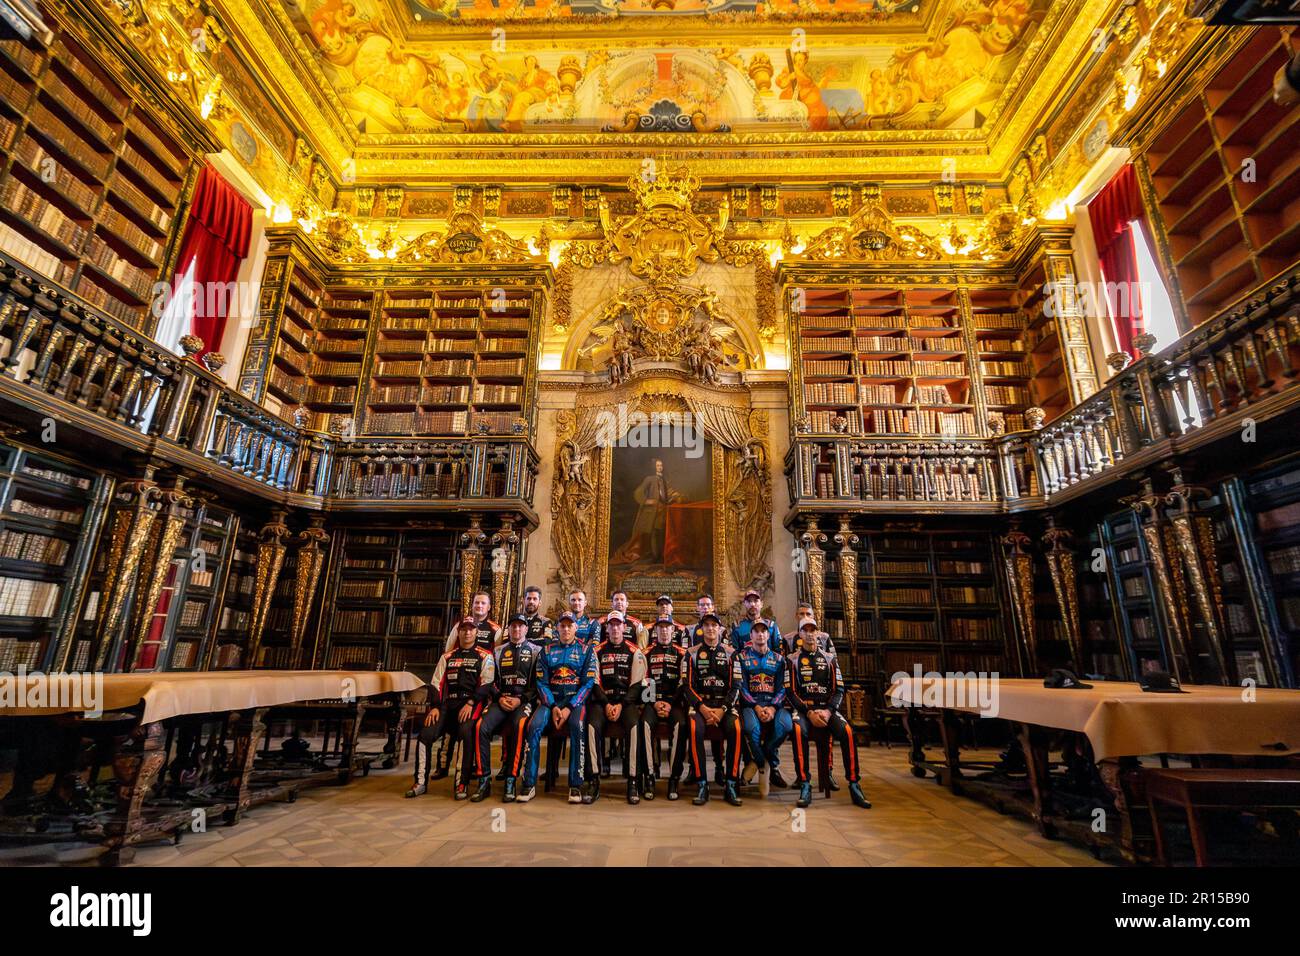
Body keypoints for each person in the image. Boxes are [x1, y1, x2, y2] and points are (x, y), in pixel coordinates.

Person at [787, 619, 871, 810]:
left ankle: (854, 783)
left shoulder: (829, 658)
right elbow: (790, 692)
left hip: (827, 709)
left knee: (848, 732)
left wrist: (827, 711)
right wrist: (809, 713)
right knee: (798, 731)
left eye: (812, 630)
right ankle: (804, 783)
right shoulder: (792, 659)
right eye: (805, 630)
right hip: (804, 710)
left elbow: (839, 689)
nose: (809, 633)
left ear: (818, 633)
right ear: (799, 634)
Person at [408, 618, 495, 800]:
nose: (467, 633)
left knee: (465, 733)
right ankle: (420, 782)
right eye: (463, 629)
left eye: (471, 630)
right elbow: (435, 684)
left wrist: (471, 702)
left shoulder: (485, 656)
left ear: (476, 633)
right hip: (447, 705)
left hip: (472, 704)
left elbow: (487, 683)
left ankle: (461, 783)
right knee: (425, 735)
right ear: (459, 632)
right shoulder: (447, 656)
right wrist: (435, 707)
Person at [530, 611, 599, 804]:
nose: (566, 629)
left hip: (574, 702)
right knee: (534, 725)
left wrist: (569, 707)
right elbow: (541, 683)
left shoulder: (586, 651)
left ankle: (575, 785)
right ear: (557, 628)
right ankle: (529, 783)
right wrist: (552, 705)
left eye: (570, 625)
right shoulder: (547, 650)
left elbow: (588, 684)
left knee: (578, 727)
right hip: (550, 702)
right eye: (563, 625)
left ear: (576, 628)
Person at [475, 615, 542, 802]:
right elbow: (489, 680)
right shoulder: (496, 652)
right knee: (481, 726)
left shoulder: (537, 651)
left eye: (521, 626)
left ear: (526, 630)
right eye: (513, 626)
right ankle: (484, 779)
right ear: (509, 629)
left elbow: (538, 684)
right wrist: (499, 697)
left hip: (523, 702)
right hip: (500, 700)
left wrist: (521, 699)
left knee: (519, 727)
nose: (517, 630)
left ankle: (511, 779)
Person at [587, 611, 647, 804]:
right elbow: (594, 682)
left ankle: (633, 781)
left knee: (634, 726)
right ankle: (594, 780)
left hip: (626, 702)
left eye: (617, 625)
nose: (614, 628)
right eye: (611, 625)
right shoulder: (596, 651)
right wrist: (606, 704)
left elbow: (637, 684)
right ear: (607, 628)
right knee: (590, 726)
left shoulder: (634, 651)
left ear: (624, 627)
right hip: (602, 701)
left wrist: (621, 705)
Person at [685, 612, 742, 806]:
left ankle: (731, 783)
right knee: (693, 728)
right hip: (701, 706)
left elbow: (736, 686)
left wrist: (723, 708)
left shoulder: (731, 653)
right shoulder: (691, 653)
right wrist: (701, 707)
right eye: (707, 625)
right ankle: (702, 783)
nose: (710, 628)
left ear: (719, 629)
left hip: (723, 707)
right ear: (701, 629)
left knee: (736, 728)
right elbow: (687, 686)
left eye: (714, 625)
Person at [729, 620, 791, 797]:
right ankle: (763, 763)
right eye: (756, 631)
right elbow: (741, 687)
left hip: (774, 705)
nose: (760, 634)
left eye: (764, 631)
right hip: (751, 705)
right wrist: (756, 707)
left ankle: (758, 761)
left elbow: (783, 688)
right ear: (751, 636)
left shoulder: (780, 660)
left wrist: (772, 708)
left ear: (768, 635)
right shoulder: (742, 658)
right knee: (750, 728)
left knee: (785, 726)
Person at [641, 616, 690, 800]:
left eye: (667, 627)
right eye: (660, 628)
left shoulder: (682, 653)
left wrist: (669, 703)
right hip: (652, 702)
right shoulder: (646, 653)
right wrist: (654, 703)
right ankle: (649, 777)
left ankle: (674, 778)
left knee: (681, 726)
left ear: (673, 631)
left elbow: (683, 682)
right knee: (644, 724)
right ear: (655, 631)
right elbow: (644, 681)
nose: (663, 631)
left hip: (674, 702)